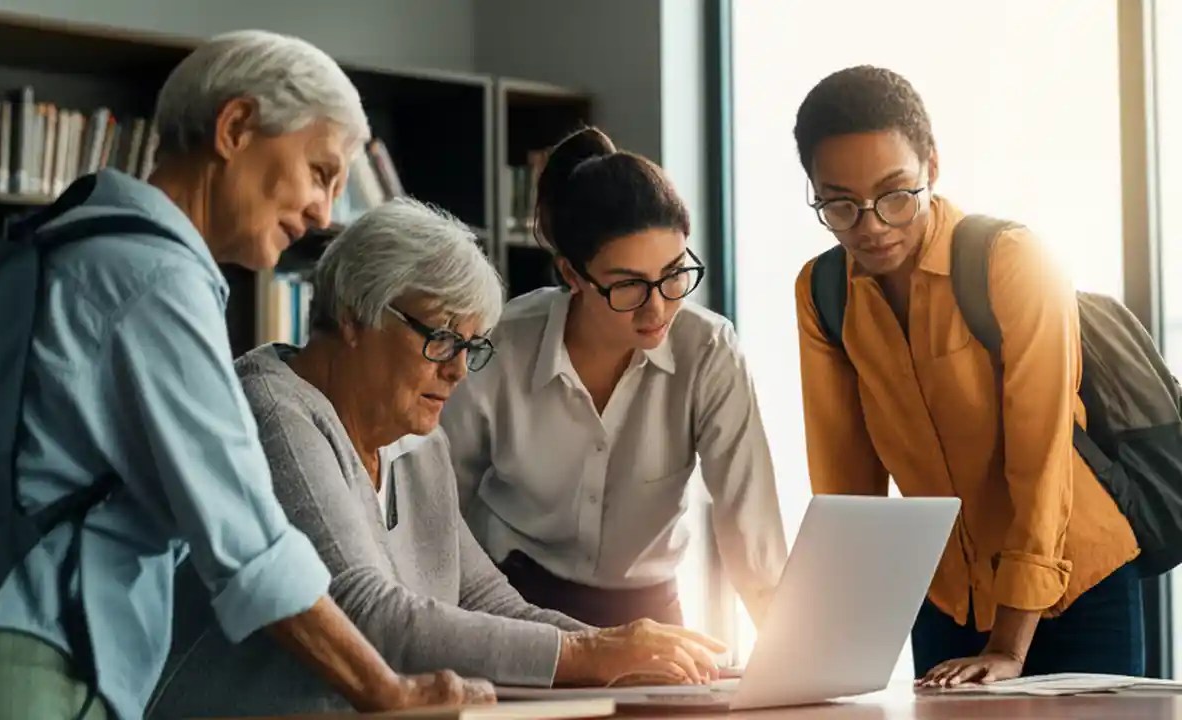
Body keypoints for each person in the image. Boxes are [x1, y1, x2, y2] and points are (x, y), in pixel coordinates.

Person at [0, 30, 490, 719]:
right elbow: (247, 539)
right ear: (236, 128)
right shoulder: (154, 281)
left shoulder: (79, 241)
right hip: (21, 671)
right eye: (320, 172)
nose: (324, 212)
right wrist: (385, 690)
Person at [148, 198, 729, 718]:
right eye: (441, 338)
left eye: (470, 347)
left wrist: (632, 656)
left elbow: (484, 599)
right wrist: (586, 652)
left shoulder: (418, 440)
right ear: (355, 315)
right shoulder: (274, 410)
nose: (455, 370)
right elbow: (366, 611)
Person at [792, 65, 1143, 687]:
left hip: (1074, 587)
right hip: (948, 598)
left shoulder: (1011, 259)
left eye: (895, 193)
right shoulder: (822, 291)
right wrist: (827, 656)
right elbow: (846, 484)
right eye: (840, 203)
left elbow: (1041, 460)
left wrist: (1009, 646)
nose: (870, 225)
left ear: (932, 165)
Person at [441, 126, 788, 631]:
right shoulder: (501, 347)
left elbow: (751, 532)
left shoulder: (708, 351)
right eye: (628, 285)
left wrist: (792, 672)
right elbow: (440, 502)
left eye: (674, 275)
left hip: (649, 614)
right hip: (514, 602)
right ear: (572, 275)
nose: (659, 306)